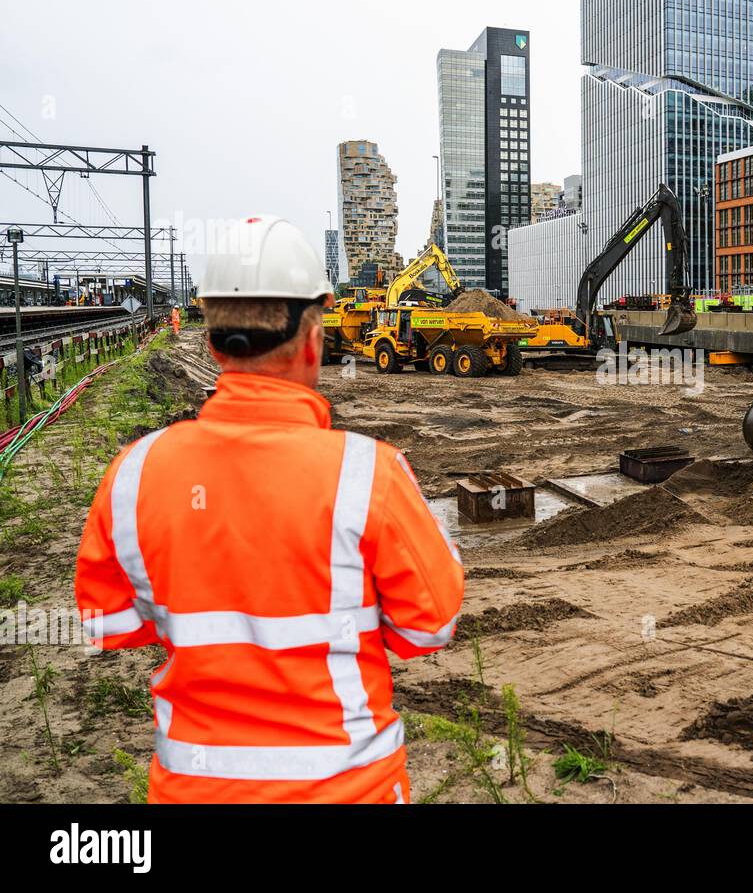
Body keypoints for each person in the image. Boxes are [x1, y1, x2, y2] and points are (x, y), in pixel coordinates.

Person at [75, 215, 464, 803]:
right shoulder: (369, 475)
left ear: (209, 342)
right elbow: (427, 627)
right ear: (313, 340)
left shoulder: (134, 473)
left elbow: (109, 624)